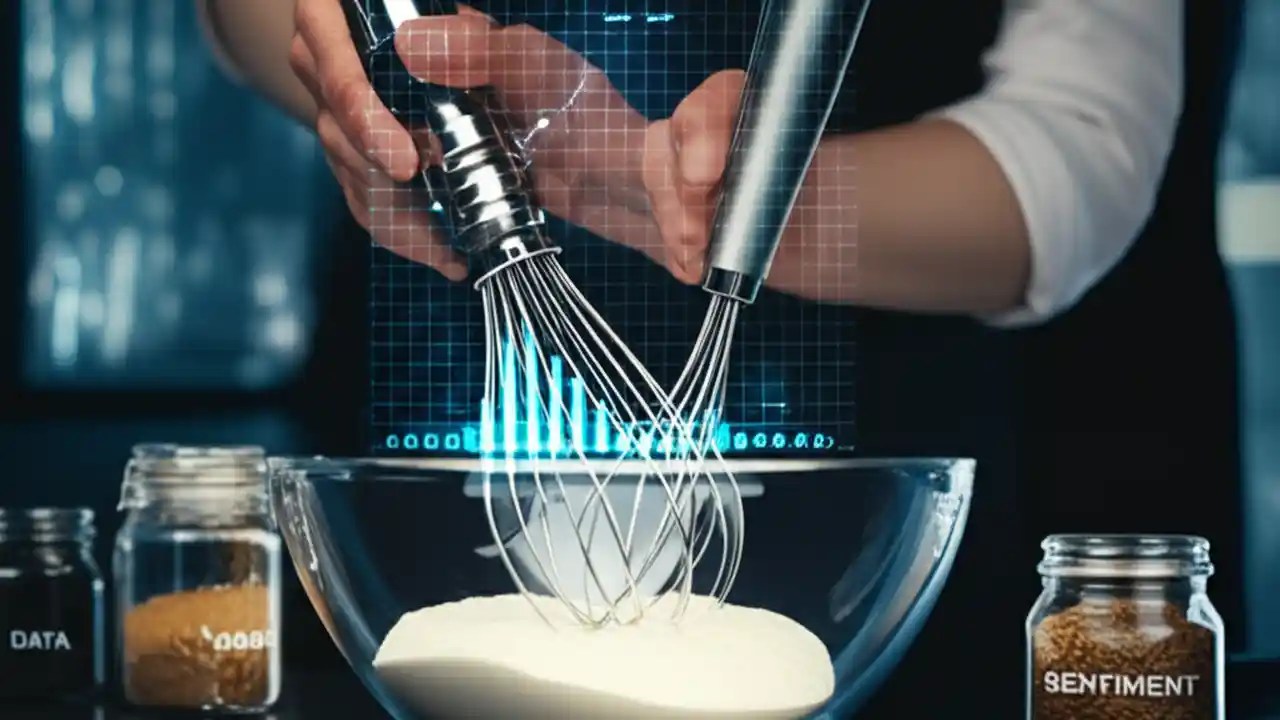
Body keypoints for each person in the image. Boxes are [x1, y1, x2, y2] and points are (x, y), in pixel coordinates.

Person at [198, 0, 1245, 715]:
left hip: (937, 446)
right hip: (431, 371)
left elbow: (1075, 153)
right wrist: (356, 75)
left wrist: (649, 191)